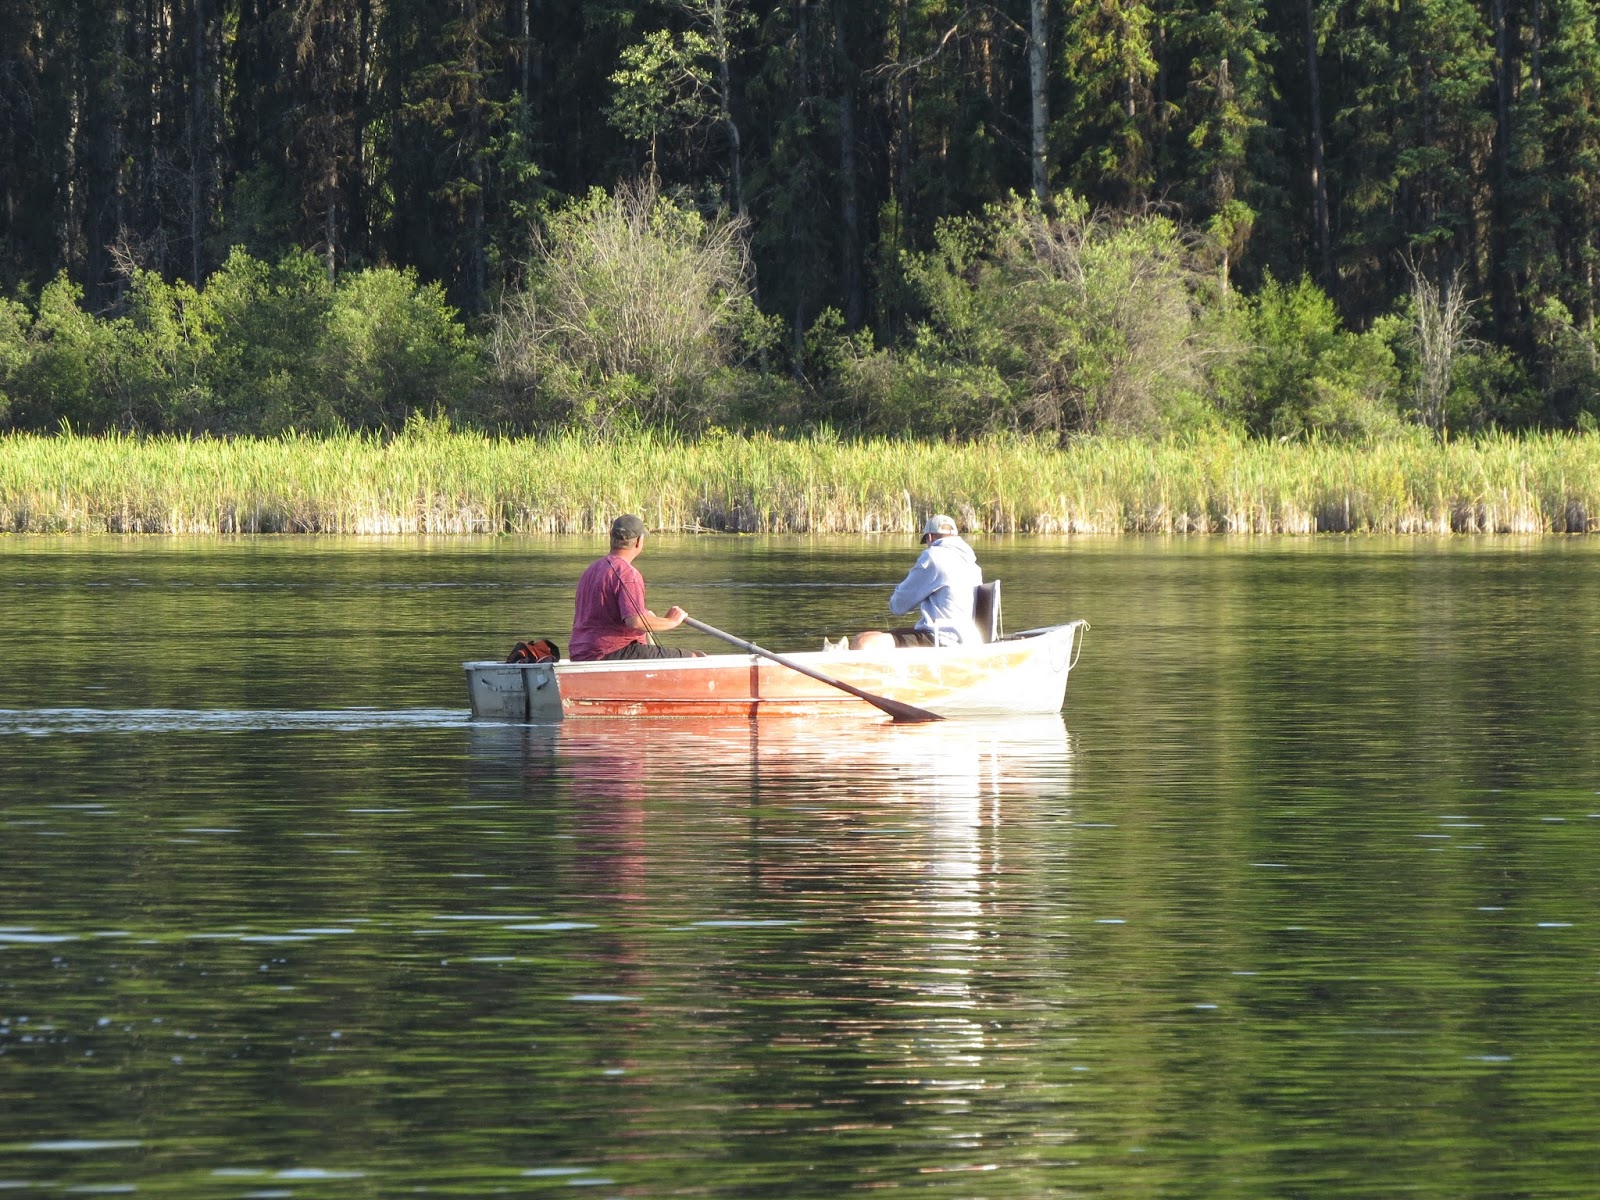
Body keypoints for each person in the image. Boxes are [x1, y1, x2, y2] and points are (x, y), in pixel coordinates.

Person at [569, 514, 703, 661]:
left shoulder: (591, 570)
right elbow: (635, 622)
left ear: (611, 537)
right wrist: (672, 621)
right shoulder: (628, 574)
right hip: (610, 652)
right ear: (639, 541)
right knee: (696, 657)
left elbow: (604, 612)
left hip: (581, 653)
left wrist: (645, 614)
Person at [852, 514, 983, 650]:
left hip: (941, 639)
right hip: (970, 638)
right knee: (871, 635)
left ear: (929, 537)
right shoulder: (972, 563)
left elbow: (898, 606)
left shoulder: (933, 556)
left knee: (863, 641)